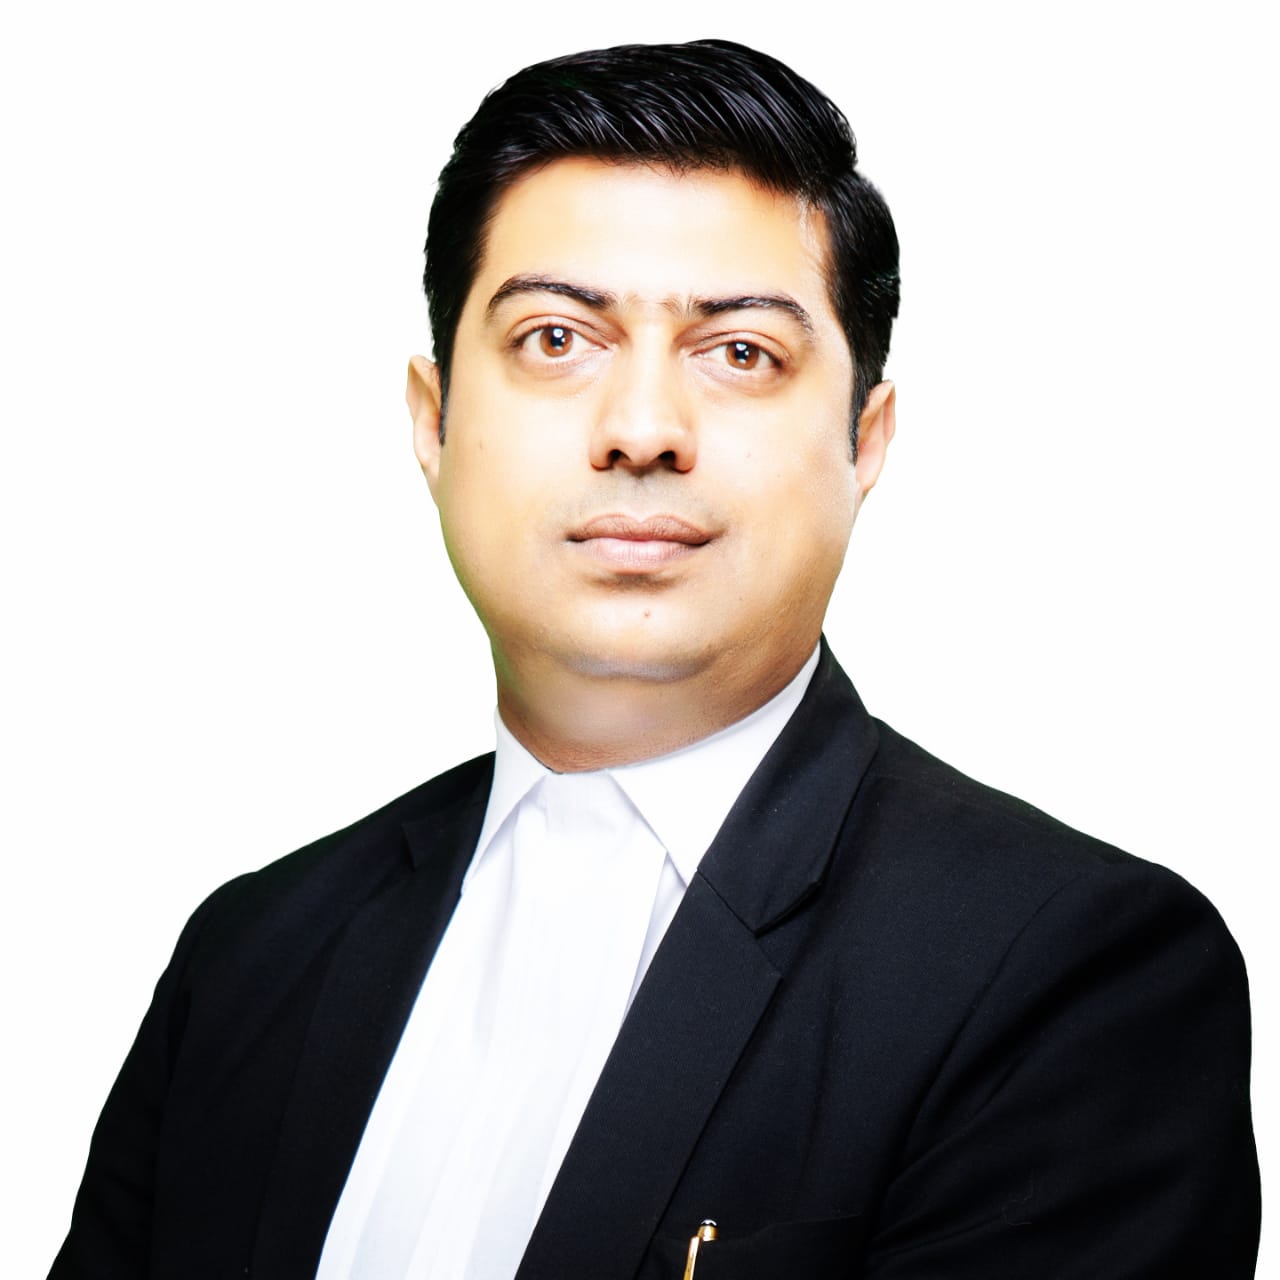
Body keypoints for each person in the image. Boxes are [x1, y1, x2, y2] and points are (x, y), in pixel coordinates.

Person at [51, 39, 1259, 1279]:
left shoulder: (1071, 975)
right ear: (432, 418)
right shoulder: (252, 954)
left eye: (739, 352)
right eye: (555, 338)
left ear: (865, 440)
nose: (640, 429)